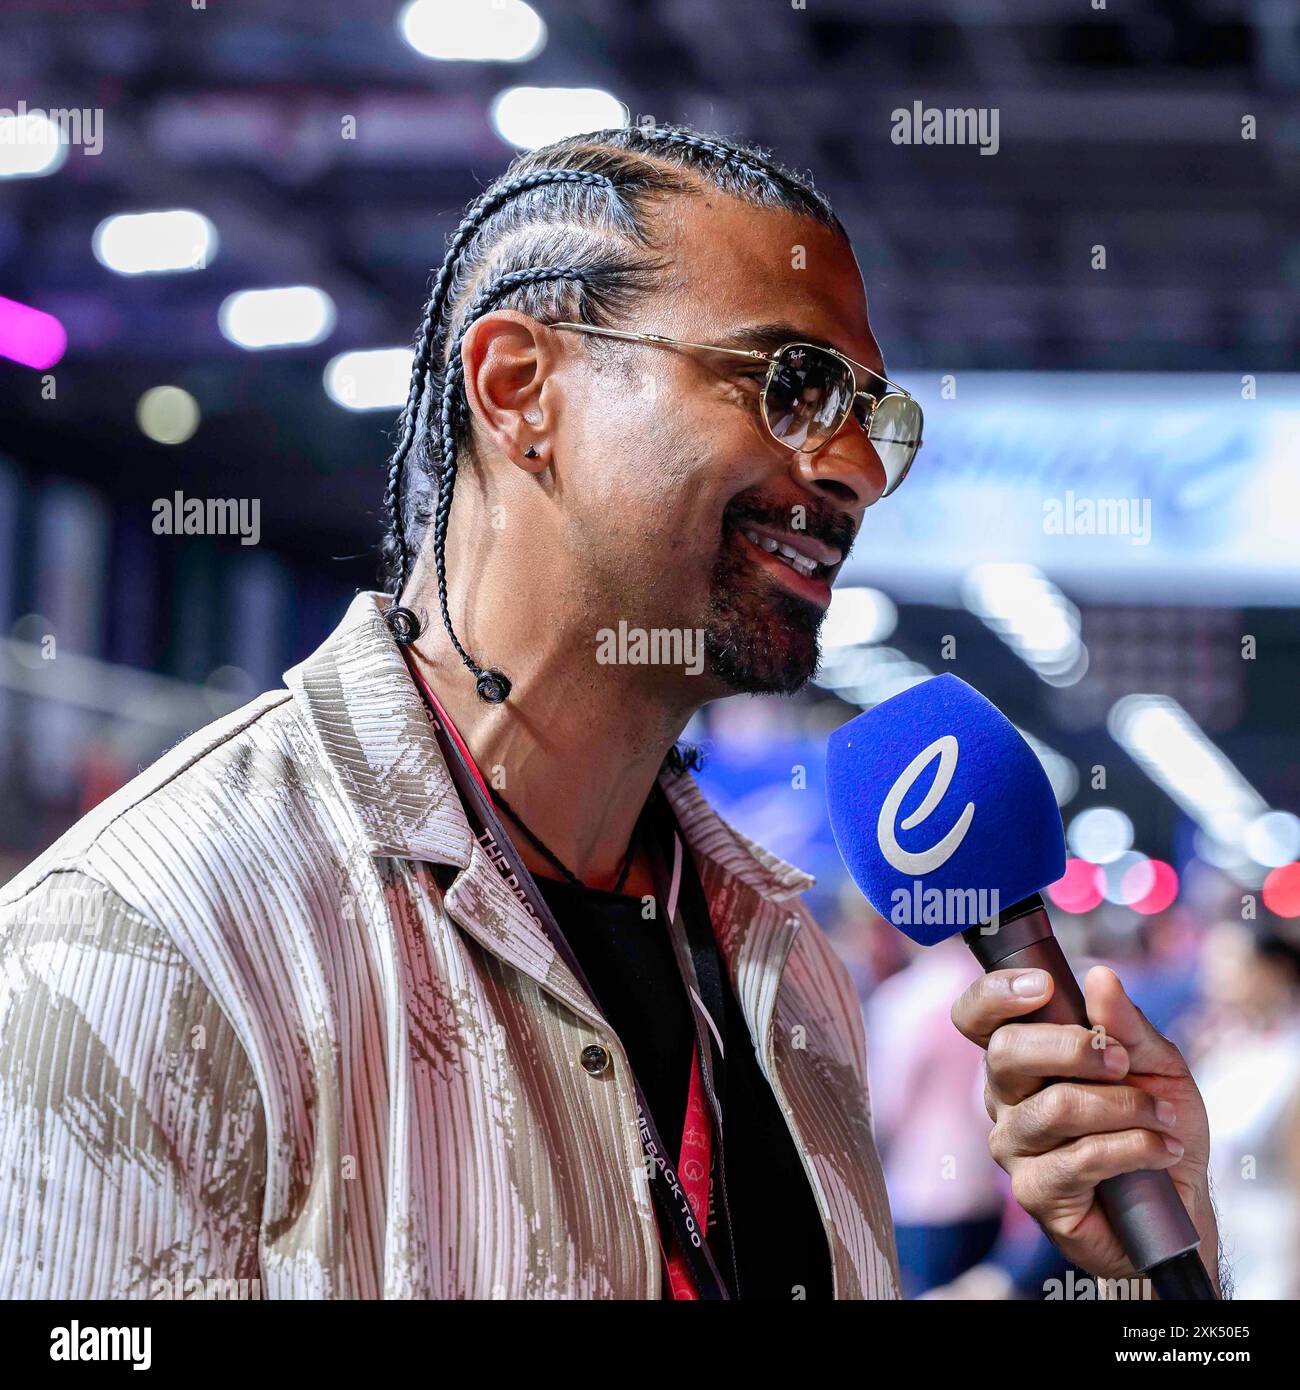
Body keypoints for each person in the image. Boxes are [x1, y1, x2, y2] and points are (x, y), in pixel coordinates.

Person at [0, 124, 1221, 1299]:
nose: (854, 466)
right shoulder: (153, 939)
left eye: (874, 419)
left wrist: (1136, 1296)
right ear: (519, 387)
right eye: (793, 383)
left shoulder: (783, 969)